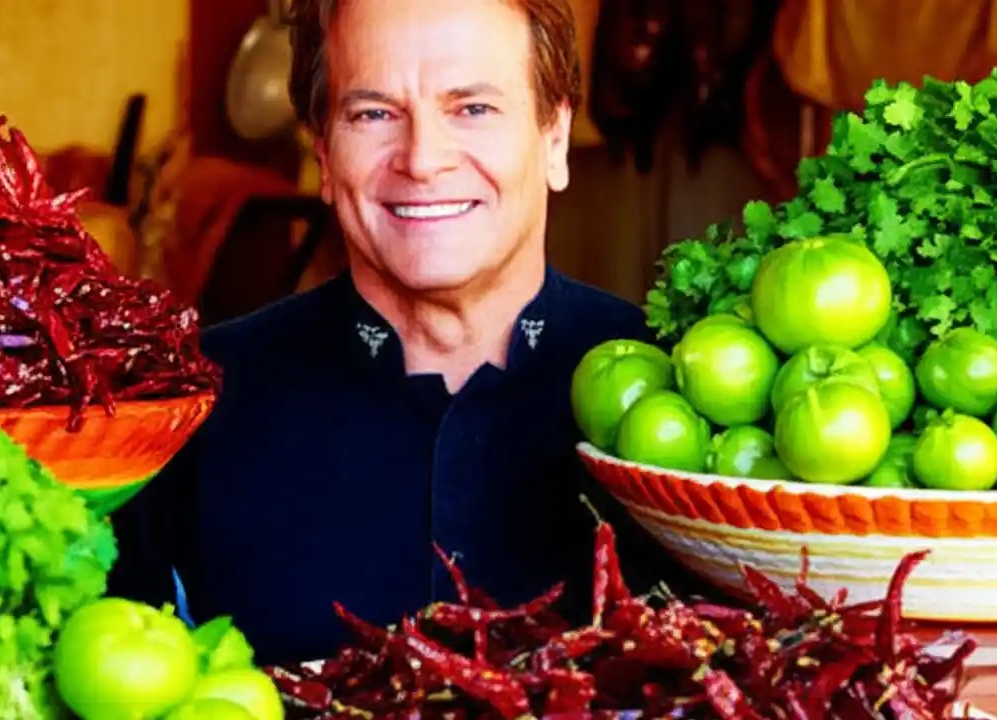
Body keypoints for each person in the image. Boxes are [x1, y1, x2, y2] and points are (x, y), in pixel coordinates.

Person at [109, 0, 678, 665]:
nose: (423, 159)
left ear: (554, 136)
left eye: (472, 108)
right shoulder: (184, 405)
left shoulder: (684, 401)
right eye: (373, 113)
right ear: (322, 150)